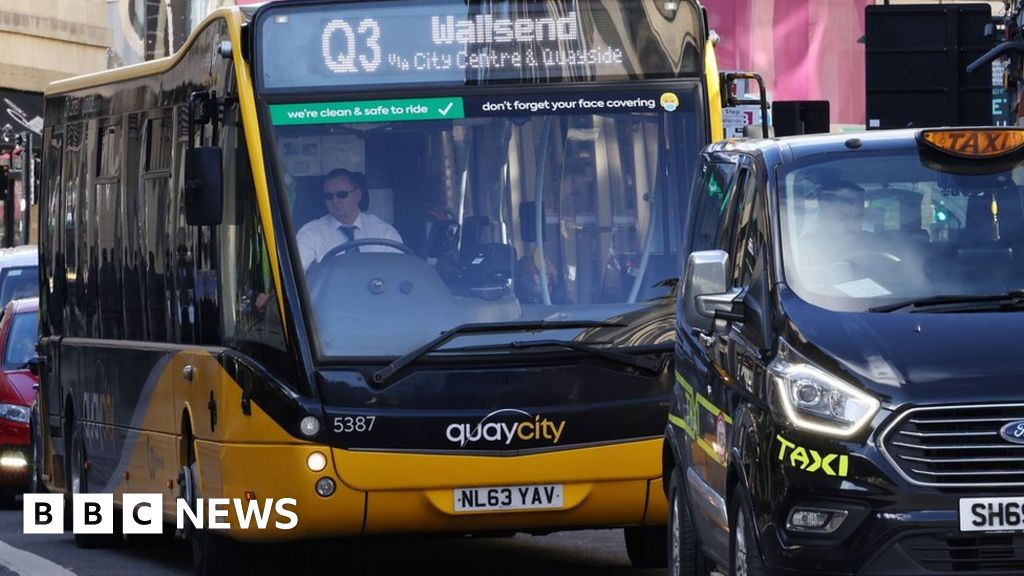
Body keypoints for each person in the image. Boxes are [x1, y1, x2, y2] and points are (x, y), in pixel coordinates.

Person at [296, 168, 403, 270]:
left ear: (358, 195)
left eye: (341, 194)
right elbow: (293, 275)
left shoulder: (384, 233)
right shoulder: (310, 234)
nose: (335, 201)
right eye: (329, 196)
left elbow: (400, 271)